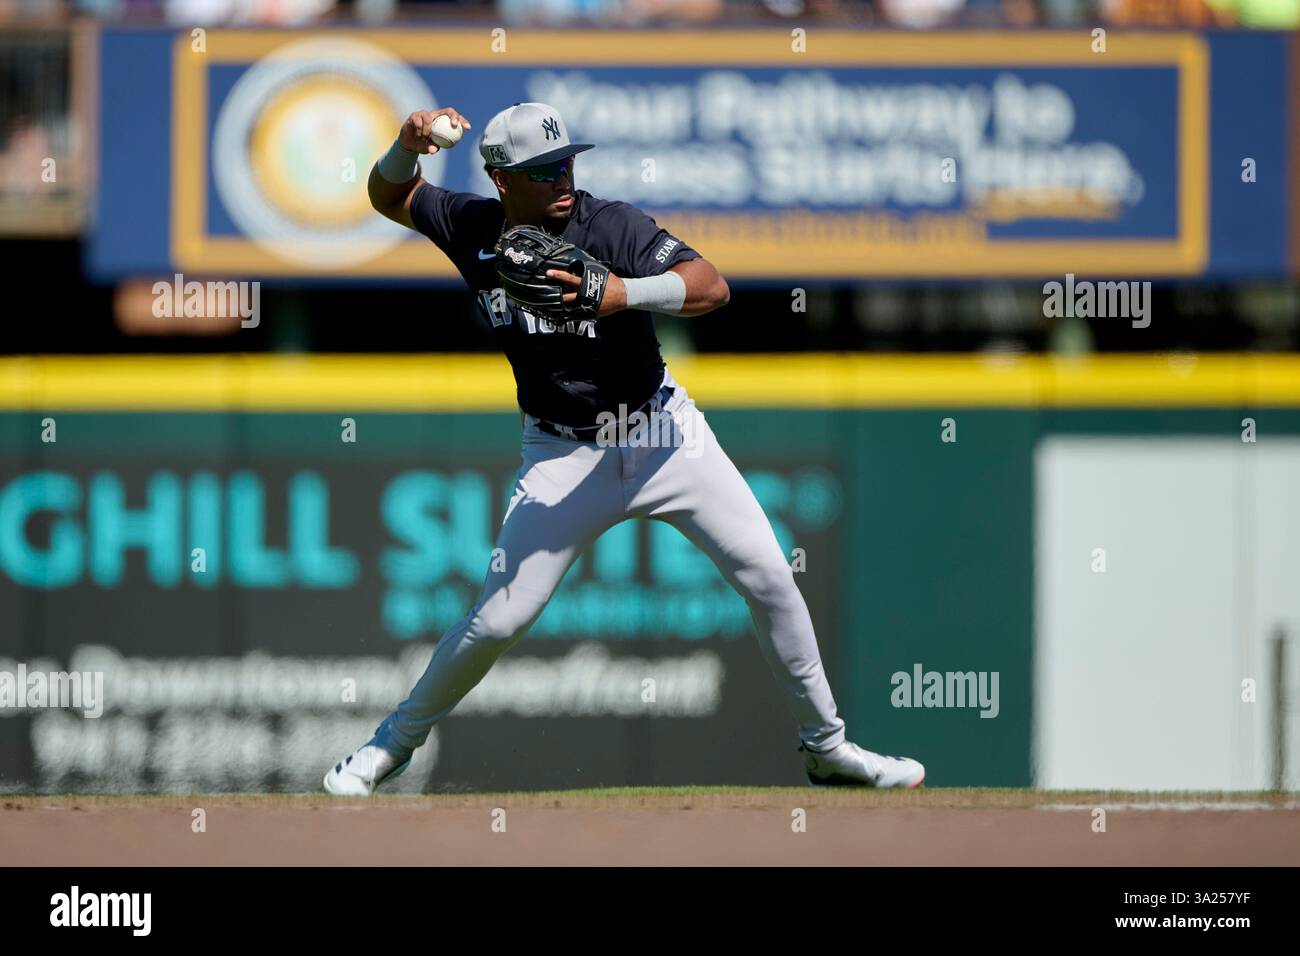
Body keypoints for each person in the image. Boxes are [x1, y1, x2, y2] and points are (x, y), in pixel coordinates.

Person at [323, 102, 925, 795]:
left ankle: (829, 749)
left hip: (663, 433)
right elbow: (390, 195)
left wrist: (623, 294)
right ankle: (387, 748)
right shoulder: (473, 227)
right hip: (560, 451)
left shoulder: (609, 224)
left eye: (568, 161)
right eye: (542, 171)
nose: (562, 179)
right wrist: (405, 144)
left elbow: (712, 286)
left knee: (770, 578)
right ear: (500, 178)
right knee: (499, 618)